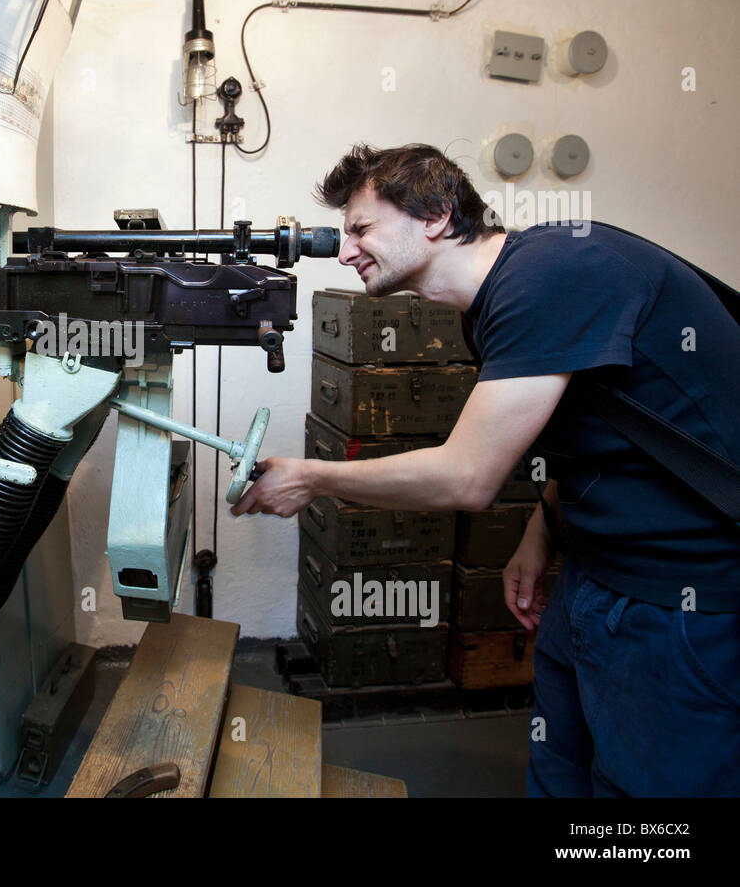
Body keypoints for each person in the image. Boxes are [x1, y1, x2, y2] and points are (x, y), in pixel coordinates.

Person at [232, 143, 740, 796]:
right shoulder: (495, 305)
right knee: (560, 767)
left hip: (680, 598)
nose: (345, 249)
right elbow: (599, 429)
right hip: (597, 574)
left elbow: (466, 477)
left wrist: (312, 478)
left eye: (361, 228)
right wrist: (540, 531)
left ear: (438, 216)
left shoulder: (552, 273)